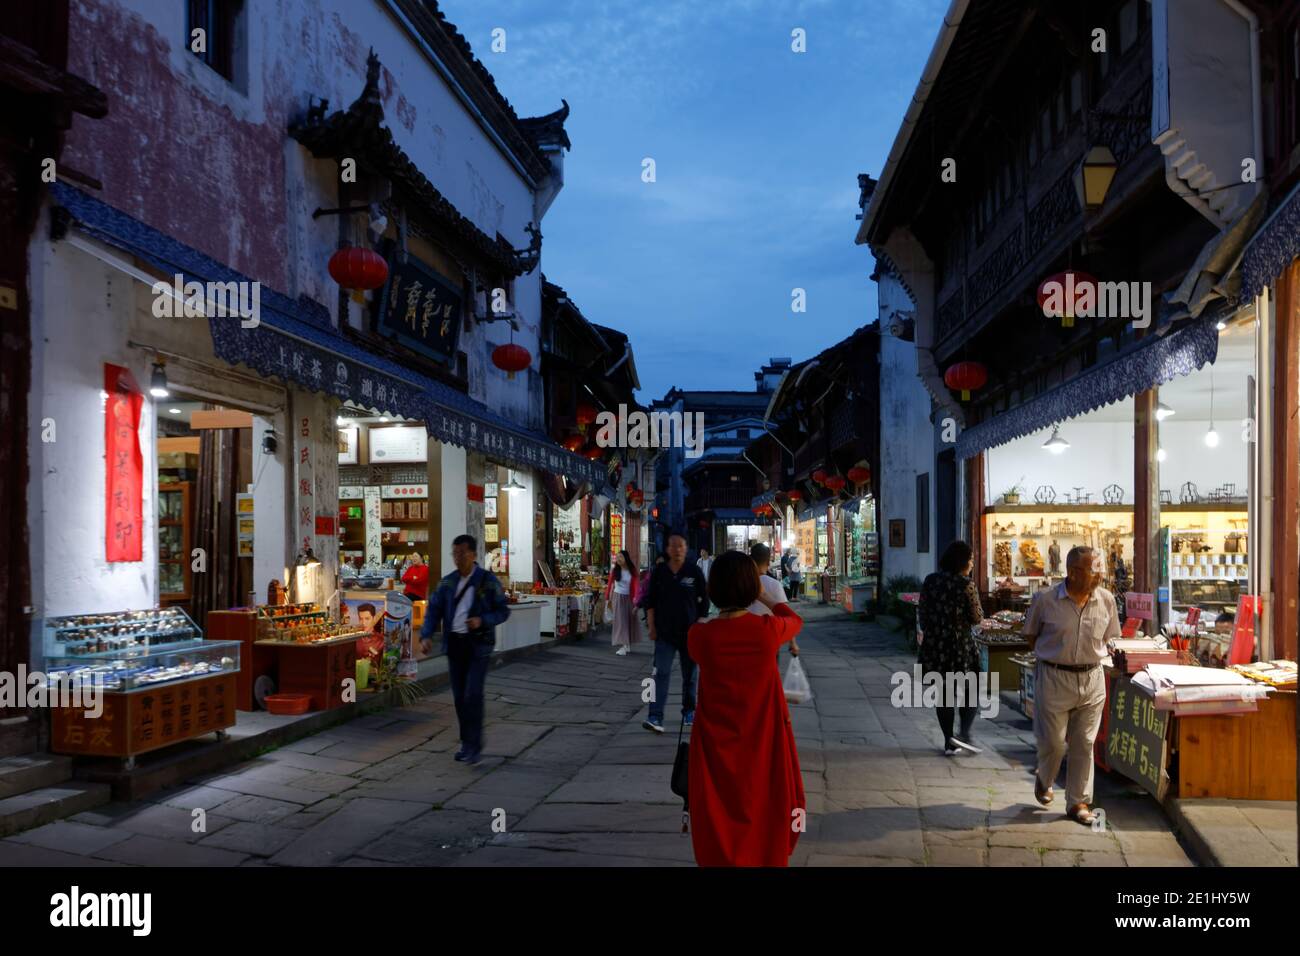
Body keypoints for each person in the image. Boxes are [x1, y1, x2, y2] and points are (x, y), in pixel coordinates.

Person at [687, 550, 805, 866]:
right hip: (763, 741)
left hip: (715, 746)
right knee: (766, 808)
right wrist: (766, 598)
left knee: (717, 814)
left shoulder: (700, 636)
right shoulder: (767, 630)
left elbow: (700, 638)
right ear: (751, 587)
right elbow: (796, 620)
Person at [1023, 545, 1120, 825]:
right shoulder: (1045, 600)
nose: (1100, 574)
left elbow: (1110, 637)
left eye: (1100, 568)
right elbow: (1031, 636)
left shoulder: (1107, 600)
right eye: (1094, 569)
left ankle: (1078, 801)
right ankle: (1045, 778)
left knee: (1084, 742)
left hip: (1092, 677)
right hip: (1054, 677)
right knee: (1054, 743)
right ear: (1075, 572)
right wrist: (1054, 655)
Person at [419, 535, 511, 764]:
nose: (458, 558)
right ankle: (466, 742)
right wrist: (426, 635)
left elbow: (503, 611)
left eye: (462, 553)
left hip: (478, 645)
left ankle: (475, 745)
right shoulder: (448, 582)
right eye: (455, 553)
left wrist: (483, 620)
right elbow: (434, 610)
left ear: (473, 554)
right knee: (460, 697)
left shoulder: (488, 581)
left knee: (473, 694)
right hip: (455, 644)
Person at [917, 541, 984, 756]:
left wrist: (933, 632)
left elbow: (923, 613)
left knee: (944, 692)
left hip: (936, 645)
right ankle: (964, 733)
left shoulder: (931, 580)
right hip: (960, 646)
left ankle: (948, 739)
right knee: (970, 689)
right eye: (971, 559)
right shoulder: (966, 585)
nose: (972, 563)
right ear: (962, 561)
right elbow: (976, 617)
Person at [641, 533, 709, 733]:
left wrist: (701, 623)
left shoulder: (693, 571)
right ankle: (655, 716)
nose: (677, 549)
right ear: (668, 549)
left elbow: (704, 601)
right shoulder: (660, 571)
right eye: (674, 546)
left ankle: (689, 710)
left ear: (686, 548)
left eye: (681, 546)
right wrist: (651, 627)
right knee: (659, 673)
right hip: (664, 634)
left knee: (690, 675)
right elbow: (650, 601)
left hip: (690, 633)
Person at [749, 543, 800, 658]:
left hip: (746, 636)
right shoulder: (775, 584)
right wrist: (792, 642)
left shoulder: (743, 583)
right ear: (768, 562)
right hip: (769, 638)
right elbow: (785, 614)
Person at [604, 550, 641, 656]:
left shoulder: (632, 570)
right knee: (621, 622)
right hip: (617, 598)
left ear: (626, 558)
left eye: (621, 557)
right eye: (617, 557)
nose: (618, 559)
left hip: (629, 598)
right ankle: (624, 646)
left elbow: (636, 586)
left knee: (629, 621)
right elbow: (610, 584)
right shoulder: (615, 570)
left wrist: (636, 600)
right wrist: (607, 598)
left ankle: (627, 645)